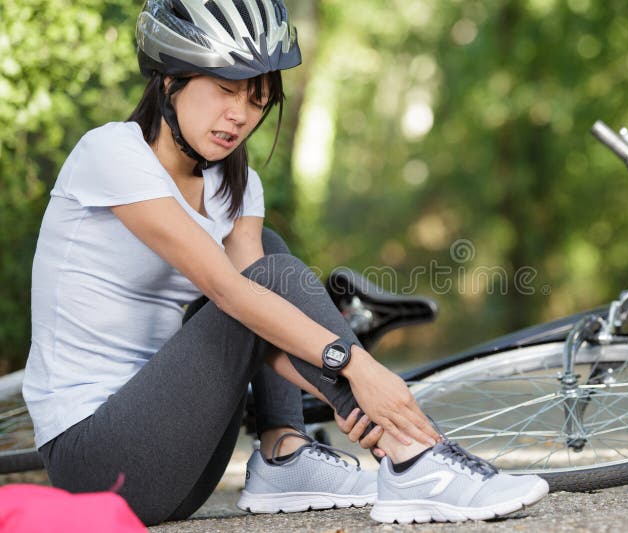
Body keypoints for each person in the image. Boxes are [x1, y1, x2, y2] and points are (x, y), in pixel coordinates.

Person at [22, 0, 548, 526]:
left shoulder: (236, 185)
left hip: (182, 462)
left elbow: (264, 330)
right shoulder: (111, 152)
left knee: (267, 253)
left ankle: (285, 452)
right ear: (170, 81)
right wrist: (357, 369)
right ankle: (412, 454)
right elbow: (231, 292)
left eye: (257, 101)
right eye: (225, 90)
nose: (240, 116)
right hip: (96, 461)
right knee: (262, 280)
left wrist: (354, 405)